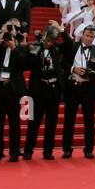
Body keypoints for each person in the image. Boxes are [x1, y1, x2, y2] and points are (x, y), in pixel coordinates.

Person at [61, 25, 95, 158]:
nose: (89, 38)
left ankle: (89, 149)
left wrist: (94, 74)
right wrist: (73, 69)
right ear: (82, 35)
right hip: (72, 88)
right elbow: (63, 63)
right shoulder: (73, 47)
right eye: (87, 35)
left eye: (92, 36)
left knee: (89, 120)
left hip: (89, 89)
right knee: (69, 119)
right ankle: (67, 149)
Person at [24, 24, 65, 160]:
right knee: (33, 122)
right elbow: (28, 64)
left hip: (53, 90)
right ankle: (28, 150)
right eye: (48, 40)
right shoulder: (36, 47)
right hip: (38, 90)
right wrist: (38, 52)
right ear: (44, 37)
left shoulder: (57, 49)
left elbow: (70, 45)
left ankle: (48, 151)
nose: (50, 43)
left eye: (52, 41)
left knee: (51, 123)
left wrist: (61, 31)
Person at [0, 21, 28, 161]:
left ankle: (15, 152)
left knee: (14, 122)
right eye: (5, 30)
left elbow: (24, 63)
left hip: (14, 89)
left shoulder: (21, 45)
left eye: (10, 31)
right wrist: (0, 44)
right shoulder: (0, 46)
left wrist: (14, 48)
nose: (8, 34)